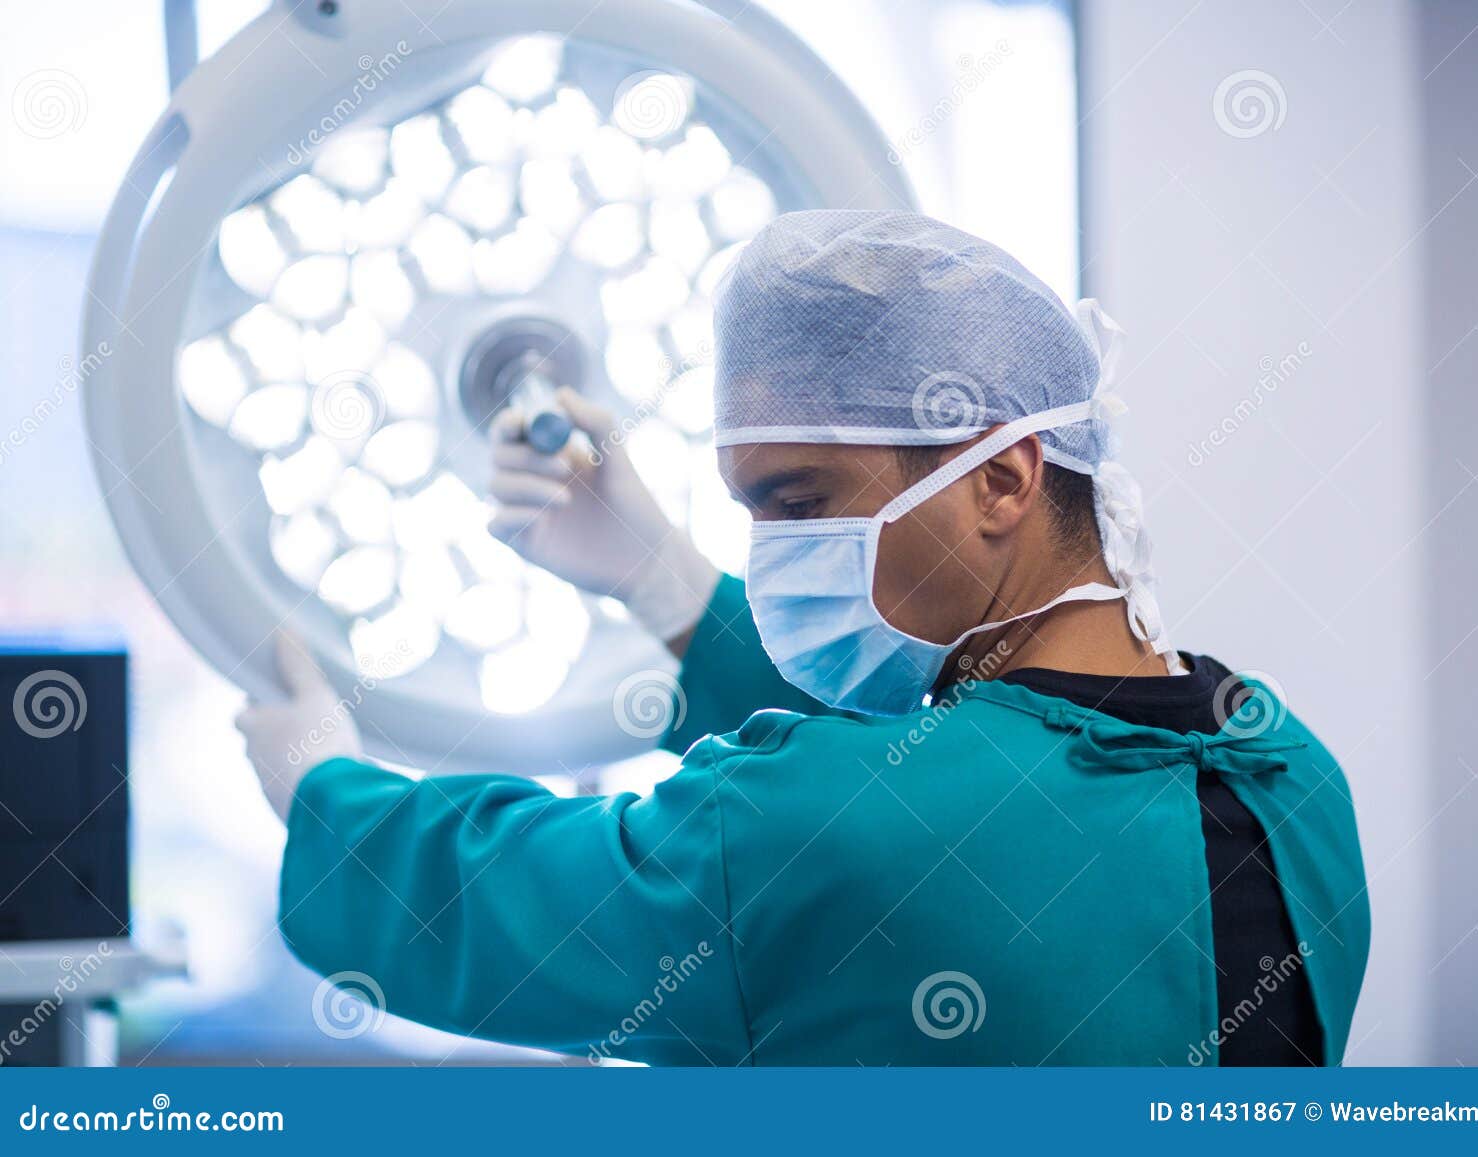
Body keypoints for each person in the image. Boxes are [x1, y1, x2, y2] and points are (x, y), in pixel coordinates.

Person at [237, 211, 1368, 1066]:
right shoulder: (1290, 777)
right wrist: (663, 580)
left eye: (798, 501)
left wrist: (322, 785)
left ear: (1002, 479)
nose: (779, 555)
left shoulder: (806, 831)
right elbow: (958, 789)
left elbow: (494, 902)